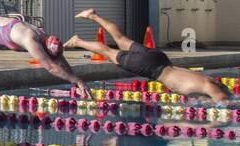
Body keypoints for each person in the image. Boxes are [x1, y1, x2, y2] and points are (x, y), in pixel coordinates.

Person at [67, 9, 229, 101]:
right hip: (151, 68)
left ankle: (93, 15)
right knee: (108, 52)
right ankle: (78, 42)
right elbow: (223, 107)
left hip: (160, 59)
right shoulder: (211, 88)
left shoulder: (207, 80)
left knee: (121, 39)